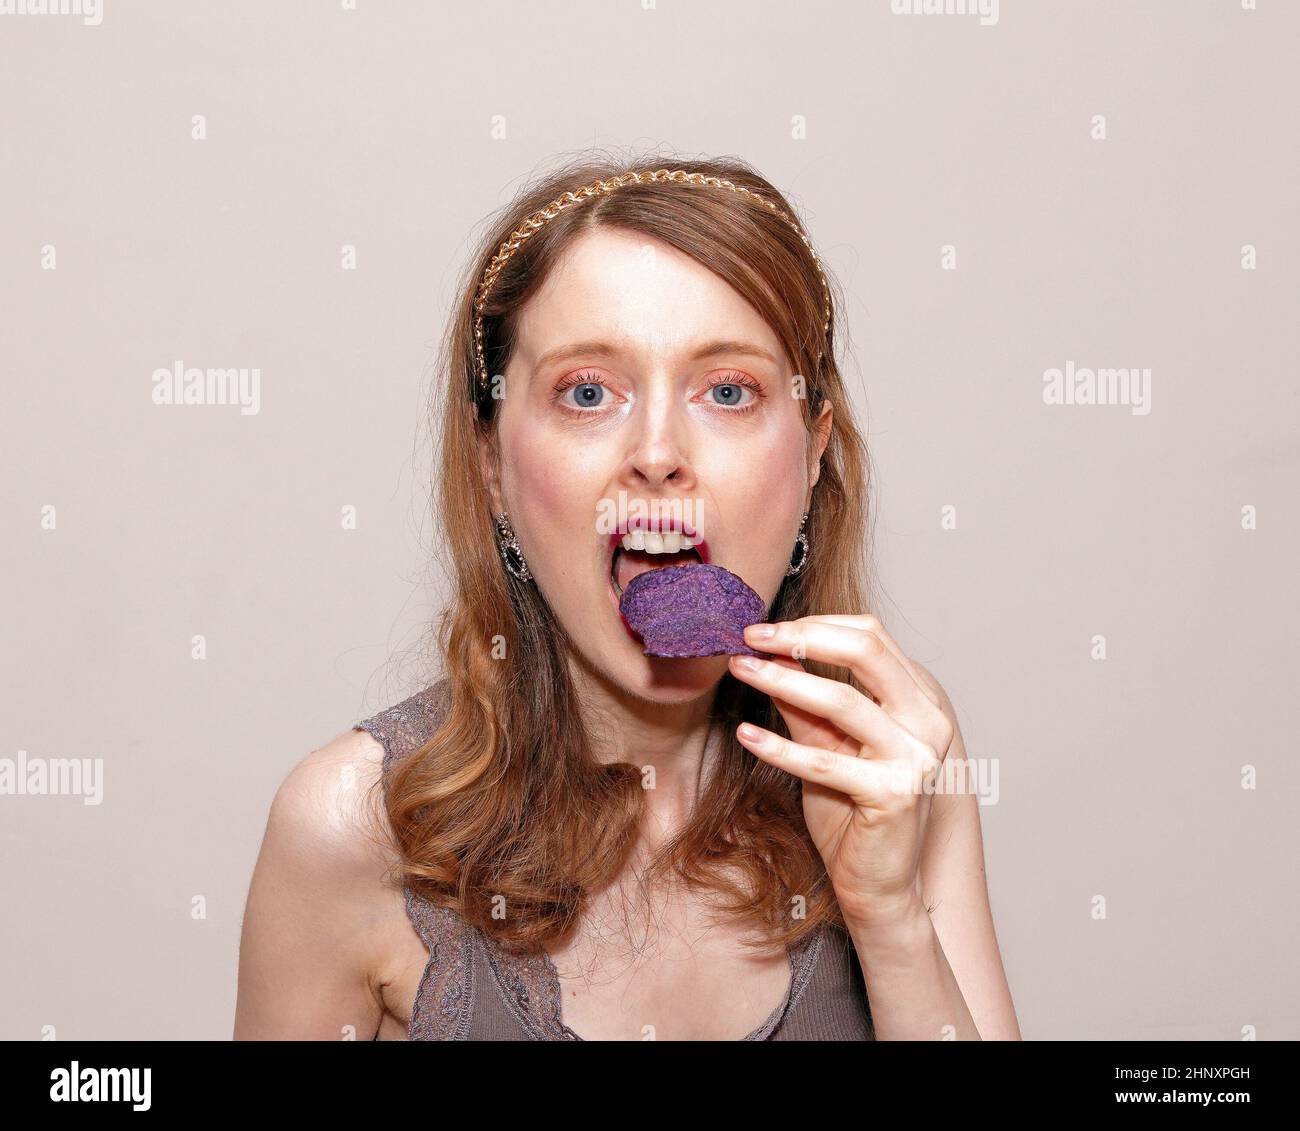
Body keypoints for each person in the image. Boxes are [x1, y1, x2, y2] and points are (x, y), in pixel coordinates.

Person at [234, 153, 1021, 1041]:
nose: (657, 450)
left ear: (811, 455)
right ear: (493, 466)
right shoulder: (348, 827)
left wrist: (889, 914)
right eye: (588, 392)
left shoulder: (899, 754)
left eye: (727, 391)